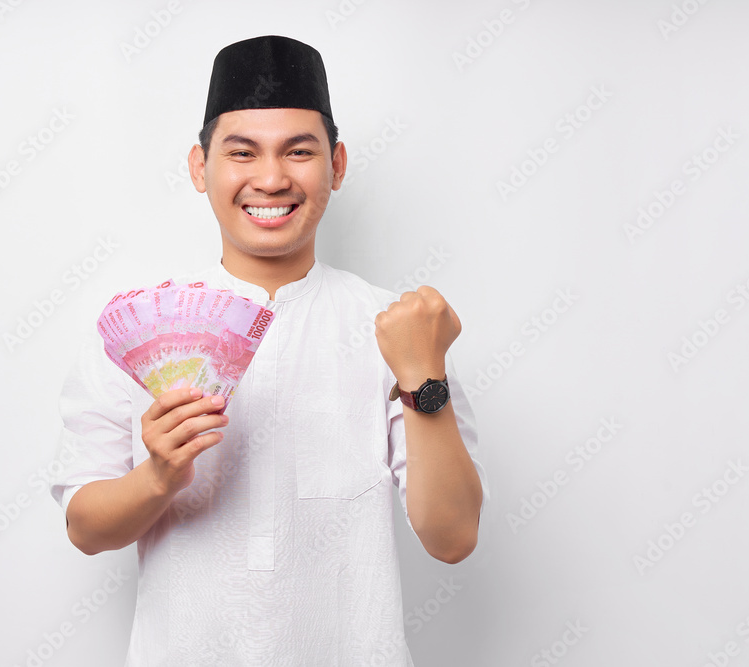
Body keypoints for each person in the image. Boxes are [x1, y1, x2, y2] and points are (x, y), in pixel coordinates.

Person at [50, 35, 488, 666]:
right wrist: (159, 477)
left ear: (336, 165)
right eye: (242, 152)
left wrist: (422, 374)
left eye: (299, 151)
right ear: (201, 168)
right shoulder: (139, 329)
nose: (272, 177)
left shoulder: (394, 328)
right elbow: (86, 528)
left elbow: (452, 537)